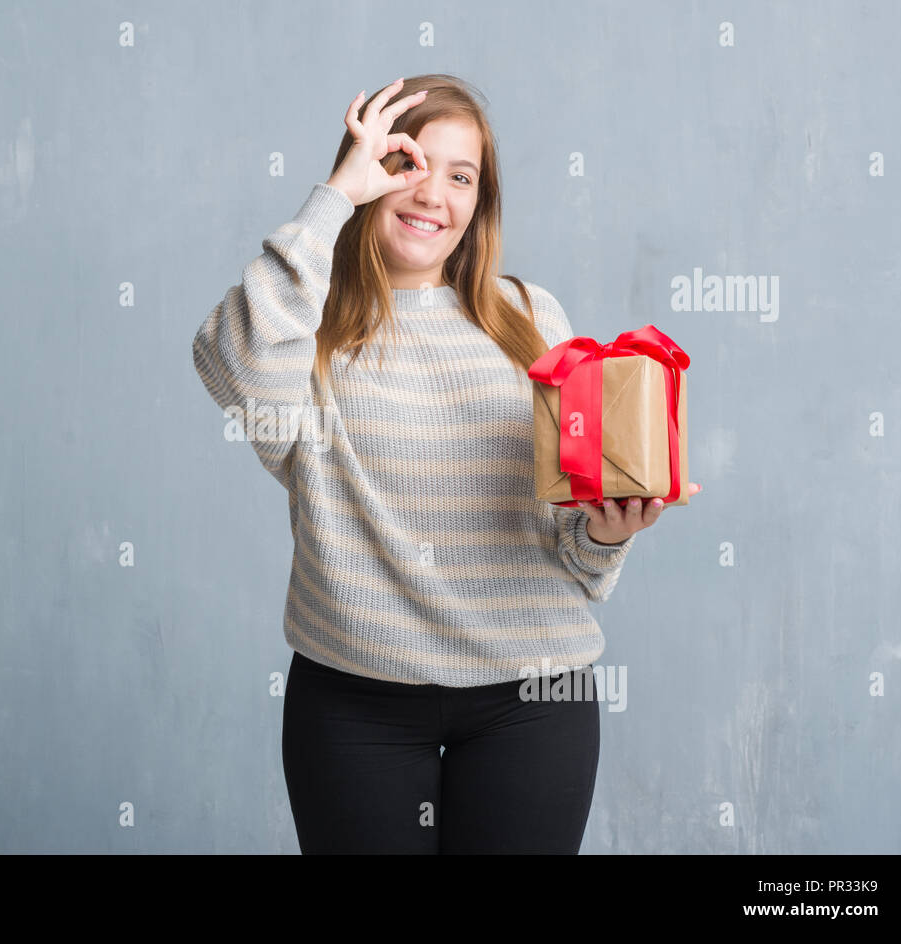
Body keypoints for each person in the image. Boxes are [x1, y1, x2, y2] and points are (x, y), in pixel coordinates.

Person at [190, 74, 699, 854]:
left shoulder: (531, 318)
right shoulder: (306, 331)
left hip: (533, 696)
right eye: (407, 163)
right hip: (354, 702)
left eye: (461, 177)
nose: (433, 194)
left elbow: (576, 557)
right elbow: (233, 358)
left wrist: (607, 532)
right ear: (370, 172)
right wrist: (332, 197)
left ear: (479, 204)